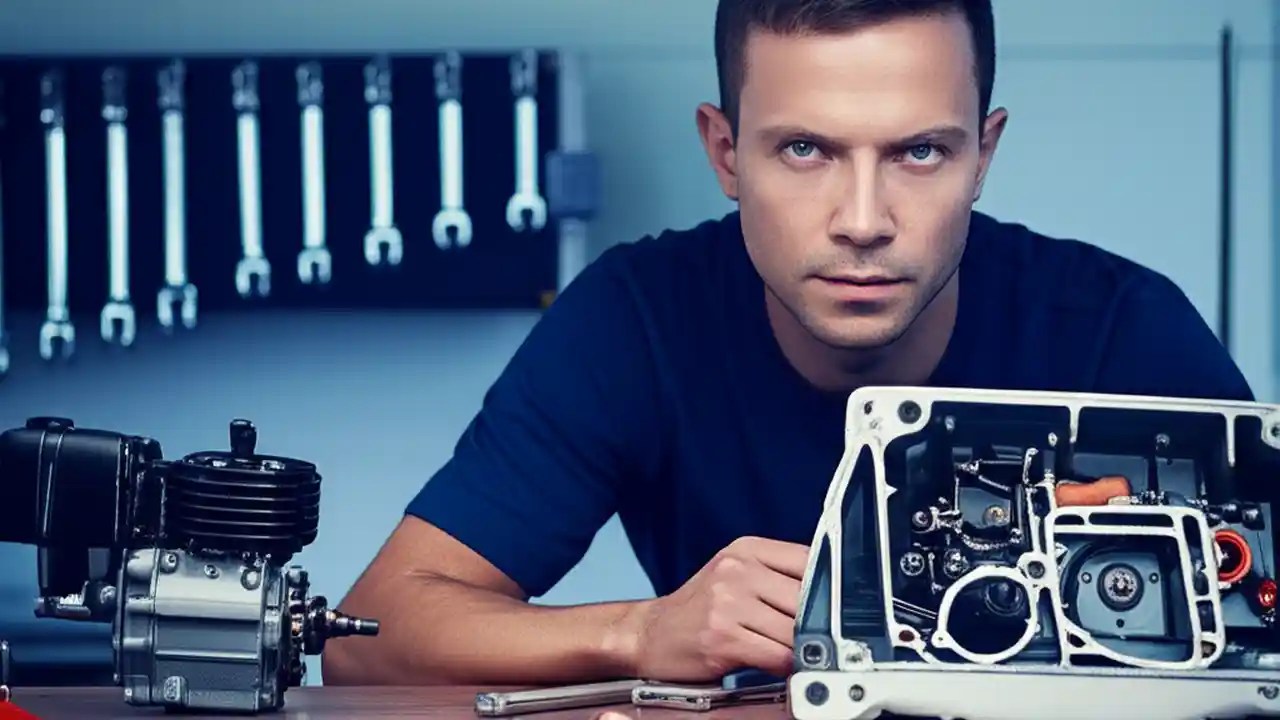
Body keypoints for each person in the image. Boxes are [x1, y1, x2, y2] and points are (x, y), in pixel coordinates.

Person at [322, 0, 1253, 686]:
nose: (863, 221)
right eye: (805, 150)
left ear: (984, 153)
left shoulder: (1122, 330)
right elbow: (367, 637)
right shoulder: (636, 319)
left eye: (919, 152)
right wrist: (640, 633)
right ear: (726, 153)